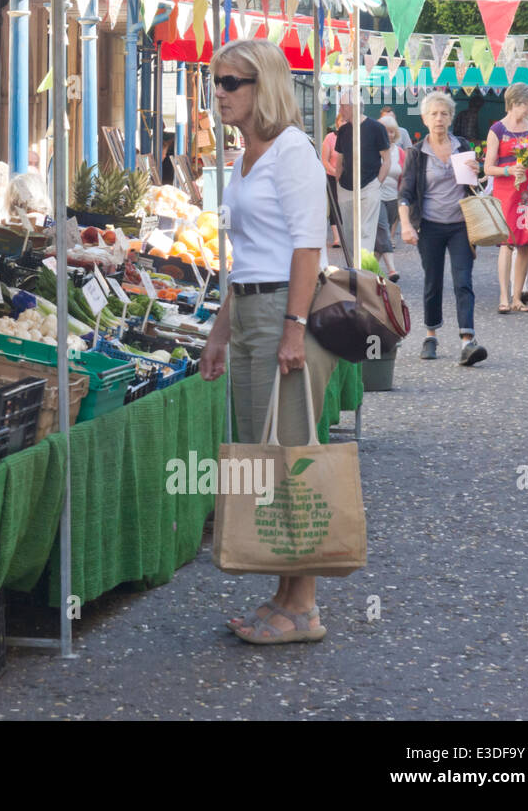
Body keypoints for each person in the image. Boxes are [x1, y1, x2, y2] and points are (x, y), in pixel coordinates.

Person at [198, 39, 337, 645]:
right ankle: (283, 591)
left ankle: (304, 606)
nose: (220, 93)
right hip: (254, 308)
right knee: (263, 454)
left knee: (292, 459)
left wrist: (293, 327)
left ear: (265, 85)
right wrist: (219, 333)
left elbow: (307, 245)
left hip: (286, 309)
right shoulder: (245, 157)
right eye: (217, 82)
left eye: (232, 82)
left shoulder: (292, 152)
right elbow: (245, 259)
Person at [397, 93, 487, 366]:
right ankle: (430, 335)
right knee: (432, 281)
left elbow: (475, 185)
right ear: (424, 119)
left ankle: (467, 341)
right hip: (430, 225)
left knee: (463, 281)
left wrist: (477, 169)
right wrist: (405, 225)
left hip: (461, 224)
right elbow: (405, 193)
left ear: (450, 118)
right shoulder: (416, 152)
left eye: (444, 114)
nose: (439, 118)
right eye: (433, 114)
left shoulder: (462, 146)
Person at [483, 84, 528, 313]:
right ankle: (504, 297)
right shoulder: (497, 130)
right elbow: (488, 168)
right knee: (507, 243)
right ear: (516, 103)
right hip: (506, 191)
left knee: (525, 244)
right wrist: (509, 171)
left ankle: (518, 297)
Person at [332, 91, 390, 257]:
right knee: (349, 232)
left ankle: (363, 270)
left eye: (342, 106)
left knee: (366, 232)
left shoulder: (377, 128)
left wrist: (378, 183)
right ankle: (354, 270)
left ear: (353, 106)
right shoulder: (342, 131)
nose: (340, 110)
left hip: (369, 186)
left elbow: (386, 159)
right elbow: (339, 160)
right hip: (345, 187)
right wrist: (337, 182)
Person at [376, 115, 404, 280]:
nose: (388, 134)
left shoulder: (399, 152)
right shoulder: (373, 149)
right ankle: (392, 270)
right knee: (384, 231)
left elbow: (404, 176)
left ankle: (369, 270)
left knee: (381, 235)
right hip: (376, 195)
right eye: (385, 131)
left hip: (393, 197)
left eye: (391, 131)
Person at [321, 106, 345, 249]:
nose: (343, 122)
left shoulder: (354, 136)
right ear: (336, 122)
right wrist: (336, 173)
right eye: (340, 120)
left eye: (345, 120)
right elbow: (325, 160)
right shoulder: (330, 138)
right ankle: (337, 238)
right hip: (332, 176)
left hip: (348, 177)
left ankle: (348, 235)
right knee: (335, 205)